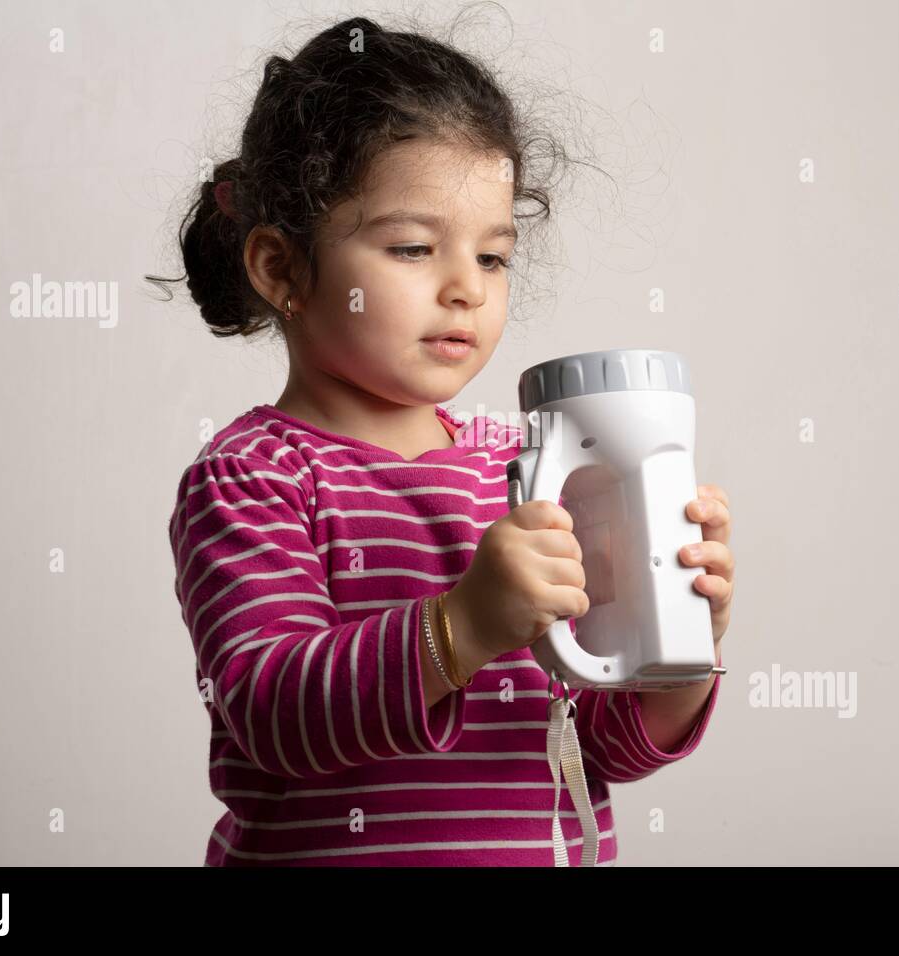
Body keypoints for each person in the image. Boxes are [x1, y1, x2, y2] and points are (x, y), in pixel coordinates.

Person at [162, 15, 735, 866]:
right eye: (412, 247)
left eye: (494, 257)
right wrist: (460, 628)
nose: (466, 287)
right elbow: (274, 712)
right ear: (283, 269)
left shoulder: (526, 465)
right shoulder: (252, 476)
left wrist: (680, 645)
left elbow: (599, 749)